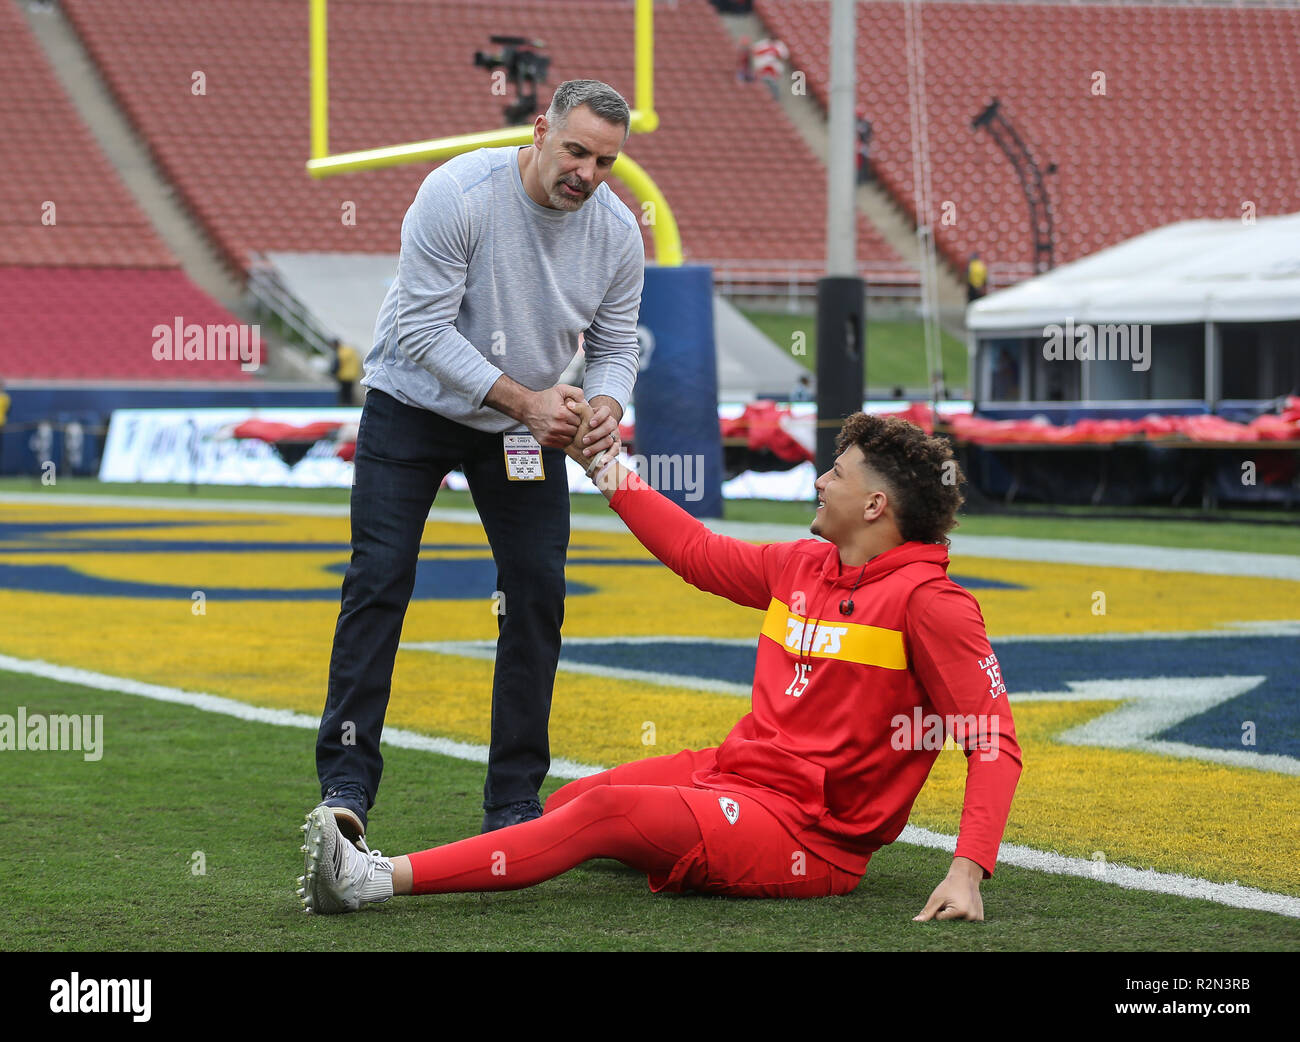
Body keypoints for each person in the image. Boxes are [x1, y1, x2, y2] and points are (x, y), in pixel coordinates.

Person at [299, 408, 1023, 919]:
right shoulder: (806, 563)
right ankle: (691, 846)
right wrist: (606, 466)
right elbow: (695, 554)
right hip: (738, 778)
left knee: (604, 814)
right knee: (570, 807)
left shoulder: (934, 604)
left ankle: (369, 880)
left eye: (833, 474)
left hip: (813, 840)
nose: (818, 482)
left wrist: (967, 871)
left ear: (873, 504)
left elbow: (994, 745)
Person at [313, 79, 644, 845]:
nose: (588, 173)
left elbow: (617, 345)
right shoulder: (457, 191)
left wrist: (606, 406)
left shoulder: (618, 233)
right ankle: (347, 782)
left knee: (537, 591)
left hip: (521, 430)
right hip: (413, 407)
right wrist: (526, 400)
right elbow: (423, 332)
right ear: (538, 131)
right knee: (380, 578)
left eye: (605, 161)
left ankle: (515, 803)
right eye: (575, 151)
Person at [751, 37, 790, 101]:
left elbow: (784, 57)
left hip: (773, 71)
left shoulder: (779, 45)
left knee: (772, 85)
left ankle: (774, 98)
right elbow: (755, 51)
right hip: (762, 68)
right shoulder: (763, 44)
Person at [330, 338, 362, 405]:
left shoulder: (340, 353)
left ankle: (343, 405)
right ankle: (349, 405)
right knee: (349, 392)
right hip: (352, 375)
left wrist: (333, 373)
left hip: (343, 375)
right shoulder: (351, 351)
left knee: (343, 393)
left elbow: (337, 365)